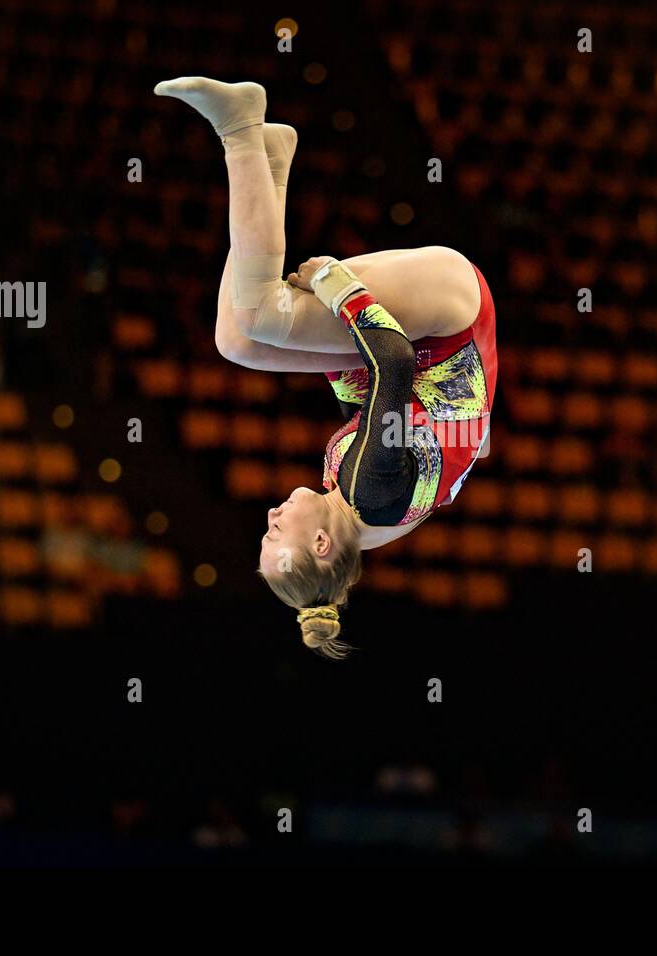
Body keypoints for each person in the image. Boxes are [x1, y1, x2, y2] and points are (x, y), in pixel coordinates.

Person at [156, 78, 497, 659]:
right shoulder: (372, 493)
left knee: (236, 340)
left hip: (428, 350)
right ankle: (239, 130)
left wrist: (317, 345)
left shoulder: (360, 513)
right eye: (273, 532)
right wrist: (336, 290)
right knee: (263, 314)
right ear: (319, 543)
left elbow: (429, 427)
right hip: (450, 318)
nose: (268, 515)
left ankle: (271, 161)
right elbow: (387, 364)